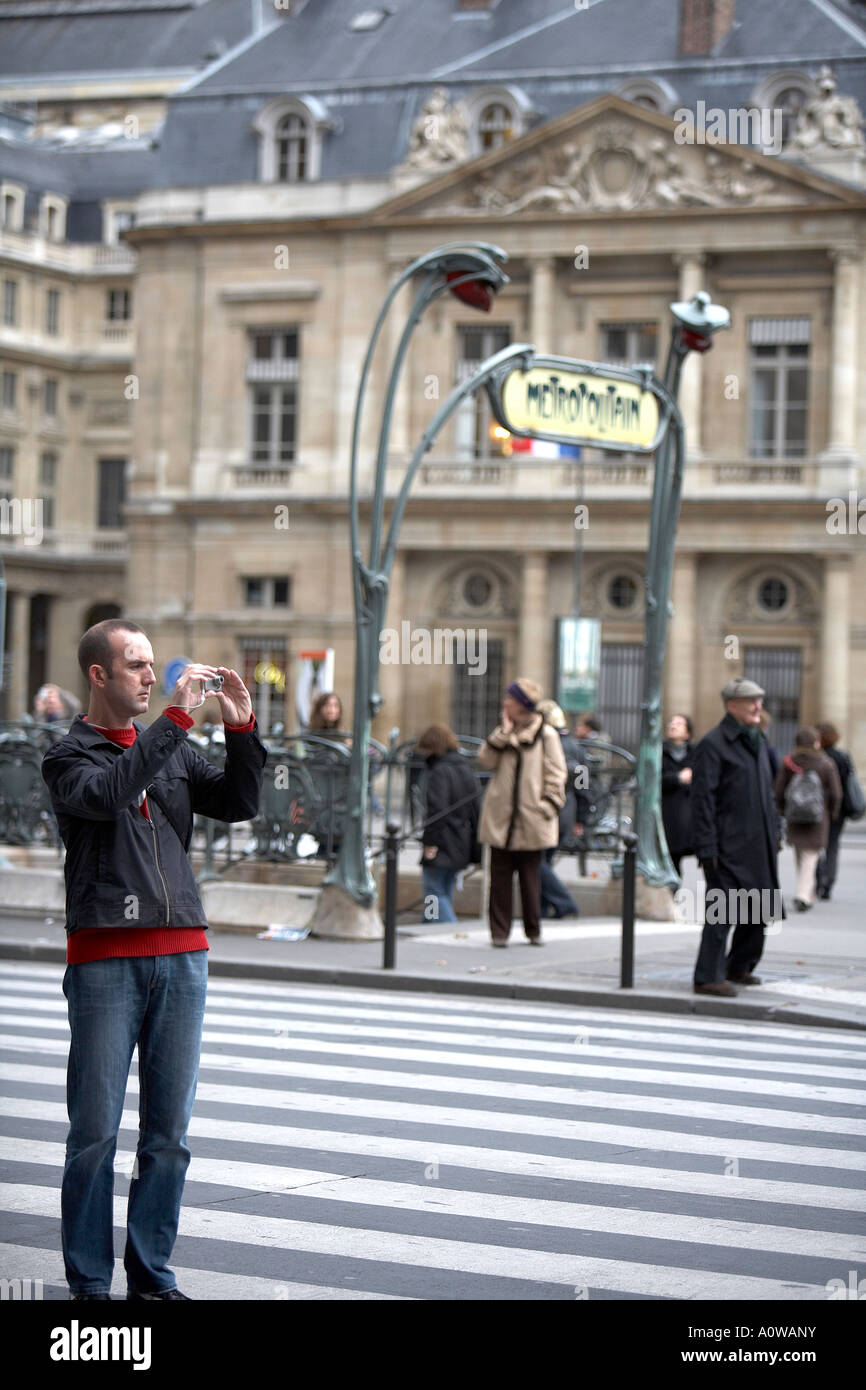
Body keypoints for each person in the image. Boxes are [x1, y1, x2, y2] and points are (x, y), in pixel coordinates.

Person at [41, 618, 265, 1300]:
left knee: (168, 1136)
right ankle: (89, 1283)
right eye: (135, 664)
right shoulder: (67, 756)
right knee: (95, 1136)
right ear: (99, 675)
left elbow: (240, 803)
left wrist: (242, 730)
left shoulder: (167, 748)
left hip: (183, 953)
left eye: (152, 663)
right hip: (106, 957)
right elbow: (110, 794)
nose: (150, 674)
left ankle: (151, 1275)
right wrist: (174, 718)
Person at [690, 677, 784, 997]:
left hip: (759, 843)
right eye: (750, 701)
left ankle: (739, 966)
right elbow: (702, 801)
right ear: (732, 706)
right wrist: (706, 847)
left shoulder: (755, 740)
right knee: (723, 912)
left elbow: (767, 795)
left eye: (759, 700)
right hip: (726, 846)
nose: (758, 706)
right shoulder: (714, 744)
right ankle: (707, 976)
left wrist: (776, 829)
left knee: (758, 910)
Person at [477, 678, 567, 947]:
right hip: (501, 819)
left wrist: (546, 807)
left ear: (522, 705)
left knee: (530, 880)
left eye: (510, 699)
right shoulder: (503, 732)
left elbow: (557, 774)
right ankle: (499, 933)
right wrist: (502, 734)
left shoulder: (546, 735)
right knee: (499, 879)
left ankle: (533, 930)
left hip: (531, 818)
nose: (504, 703)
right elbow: (484, 761)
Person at [415, 723, 481, 924]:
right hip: (461, 841)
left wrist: (430, 843)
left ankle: (446, 928)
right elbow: (476, 809)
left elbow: (437, 810)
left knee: (434, 891)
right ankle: (430, 927)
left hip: (443, 841)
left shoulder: (439, 772)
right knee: (444, 888)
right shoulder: (465, 768)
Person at [774, 726, 842, 912]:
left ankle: (807, 892)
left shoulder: (788, 762)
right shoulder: (825, 763)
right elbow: (836, 793)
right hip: (818, 816)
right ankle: (803, 895)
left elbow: (779, 790)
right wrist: (832, 812)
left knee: (801, 853)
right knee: (810, 855)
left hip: (794, 815)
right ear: (815, 742)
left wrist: (782, 810)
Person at [536, 699, 581, 919]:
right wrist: (581, 818)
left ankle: (565, 903)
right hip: (567, 811)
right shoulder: (574, 745)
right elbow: (585, 786)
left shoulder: (546, 742)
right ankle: (542, 909)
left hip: (551, 810)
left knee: (536, 861)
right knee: (545, 860)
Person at [815, 722, 856, 901]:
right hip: (839, 809)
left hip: (818, 808)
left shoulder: (818, 757)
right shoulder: (842, 757)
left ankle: (818, 880)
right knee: (832, 846)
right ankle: (828, 882)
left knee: (816, 846)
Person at [661, 713, 695, 876]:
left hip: (688, 814)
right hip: (667, 812)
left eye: (679, 724)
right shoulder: (659, 751)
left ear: (687, 733)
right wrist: (677, 778)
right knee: (670, 858)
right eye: (671, 723)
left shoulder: (695, 752)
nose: (672, 726)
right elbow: (653, 779)